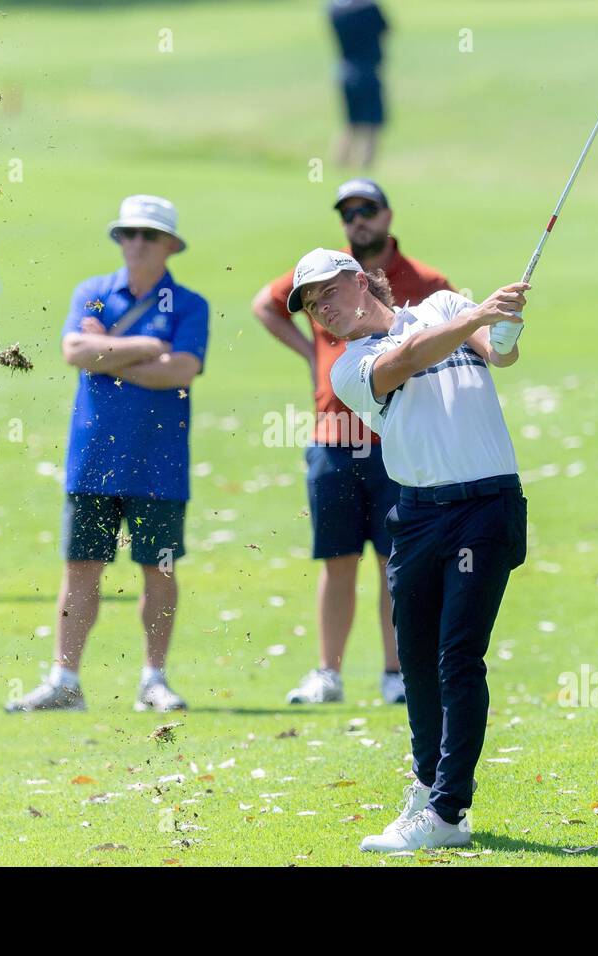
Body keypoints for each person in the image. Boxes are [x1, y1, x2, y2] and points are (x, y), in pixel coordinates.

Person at [290, 248, 528, 852]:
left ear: (356, 280)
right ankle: (427, 788)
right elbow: (407, 359)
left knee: (457, 655)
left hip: (486, 505)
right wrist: (477, 316)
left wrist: (503, 323)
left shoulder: (443, 306)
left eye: (327, 294)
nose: (323, 311)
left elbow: (499, 354)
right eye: (313, 307)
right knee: (417, 659)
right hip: (419, 514)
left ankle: (447, 810)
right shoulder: (350, 366)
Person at [252, 178, 452, 706]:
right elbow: (264, 304)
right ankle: (328, 673)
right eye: (347, 213)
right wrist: (310, 355)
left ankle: (396, 672)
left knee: (396, 561)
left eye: (366, 210)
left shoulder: (427, 281)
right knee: (337, 559)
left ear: (387, 214)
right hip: (332, 437)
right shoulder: (322, 279)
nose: (356, 220)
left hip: (395, 440)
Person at [5, 195, 209, 713]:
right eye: (128, 234)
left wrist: (111, 353)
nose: (135, 243)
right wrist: (147, 348)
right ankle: (65, 680)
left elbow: (181, 369)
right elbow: (75, 351)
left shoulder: (189, 304)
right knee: (80, 568)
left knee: (158, 569)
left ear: (169, 245)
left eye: (147, 235)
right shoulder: (93, 294)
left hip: (159, 461)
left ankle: (154, 679)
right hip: (94, 457)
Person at [328, 0, 389, 168]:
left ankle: (340, 166)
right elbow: (385, 29)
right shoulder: (369, 8)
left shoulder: (334, 8)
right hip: (367, 71)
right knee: (371, 125)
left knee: (350, 123)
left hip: (344, 71)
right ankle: (365, 169)